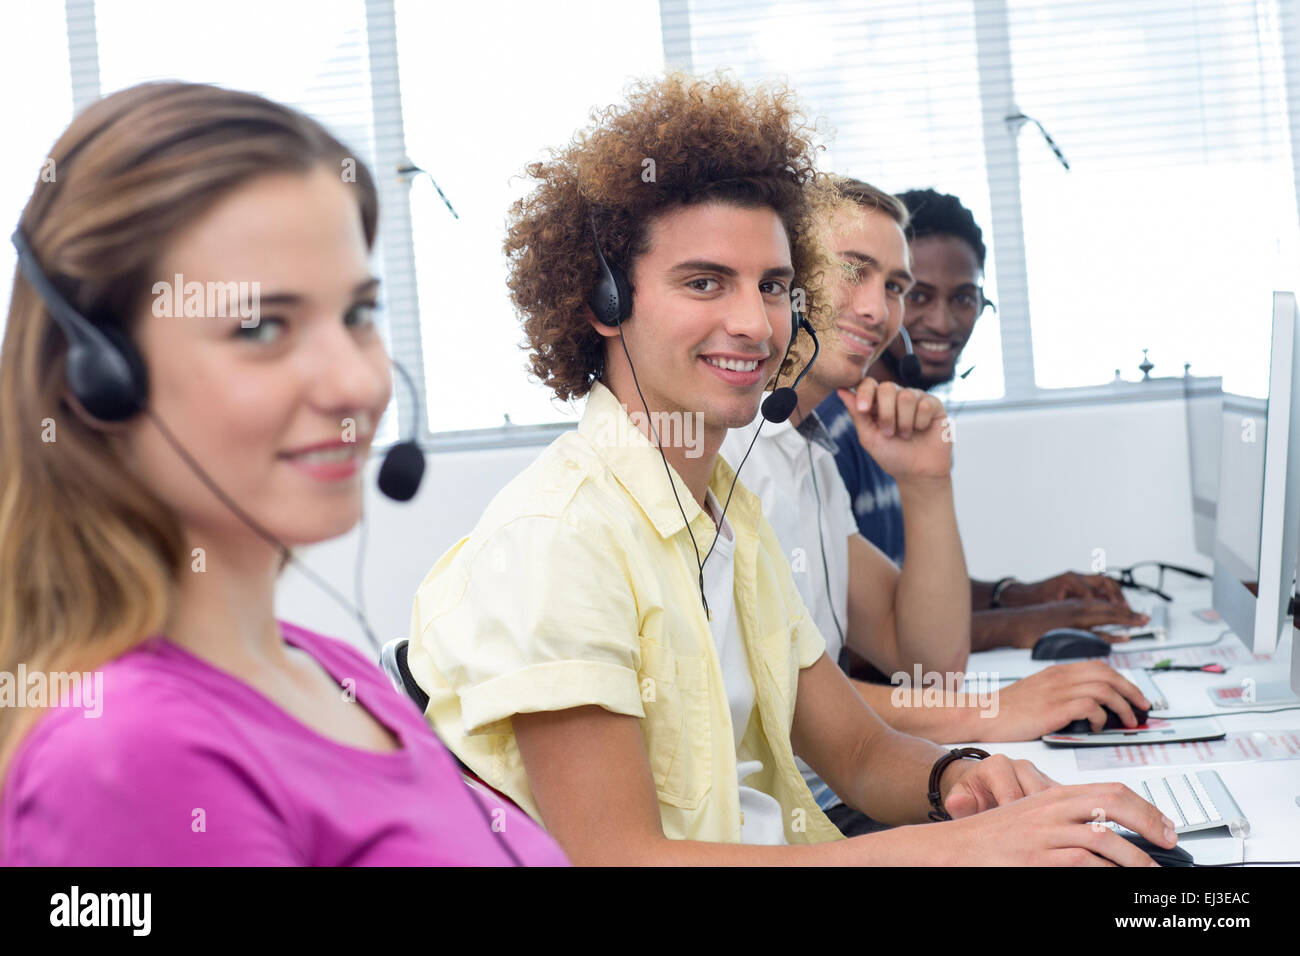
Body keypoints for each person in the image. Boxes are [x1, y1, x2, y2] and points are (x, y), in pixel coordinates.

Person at [409, 72, 1178, 864]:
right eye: (704, 282)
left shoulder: (725, 511)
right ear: (606, 300)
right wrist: (961, 850)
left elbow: (859, 753)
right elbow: (620, 858)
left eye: (774, 287)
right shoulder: (559, 538)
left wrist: (976, 780)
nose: (753, 323)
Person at [0, 82, 566, 866]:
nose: (357, 386)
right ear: (99, 379)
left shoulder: (325, 668)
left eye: (358, 316)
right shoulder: (131, 757)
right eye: (262, 327)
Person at [719, 178, 1152, 835]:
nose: (877, 310)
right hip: (796, 821)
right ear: (783, 279)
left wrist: (927, 485)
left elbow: (924, 659)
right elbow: (777, 702)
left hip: (836, 803)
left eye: (893, 285)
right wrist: (992, 711)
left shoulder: (801, 453)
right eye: (853, 273)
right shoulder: (732, 457)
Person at [817, 188, 1149, 653]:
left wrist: (1015, 596)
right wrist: (1019, 625)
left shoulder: (897, 422)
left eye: (964, 298)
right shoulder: (826, 429)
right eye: (917, 295)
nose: (944, 322)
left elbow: (903, 594)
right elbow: (850, 639)